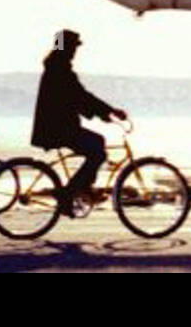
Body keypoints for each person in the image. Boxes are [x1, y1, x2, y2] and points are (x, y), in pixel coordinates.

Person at [31, 29, 127, 215]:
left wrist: (103, 114)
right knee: (97, 153)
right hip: (58, 128)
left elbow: (74, 98)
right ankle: (69, 193)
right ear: (67, 48)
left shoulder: (55, 66)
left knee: (97, 143)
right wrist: (109, 110)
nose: (75, 51)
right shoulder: (60, 69)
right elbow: (80, 96)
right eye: (73, 47)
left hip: (56, 126)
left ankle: (82, 188)